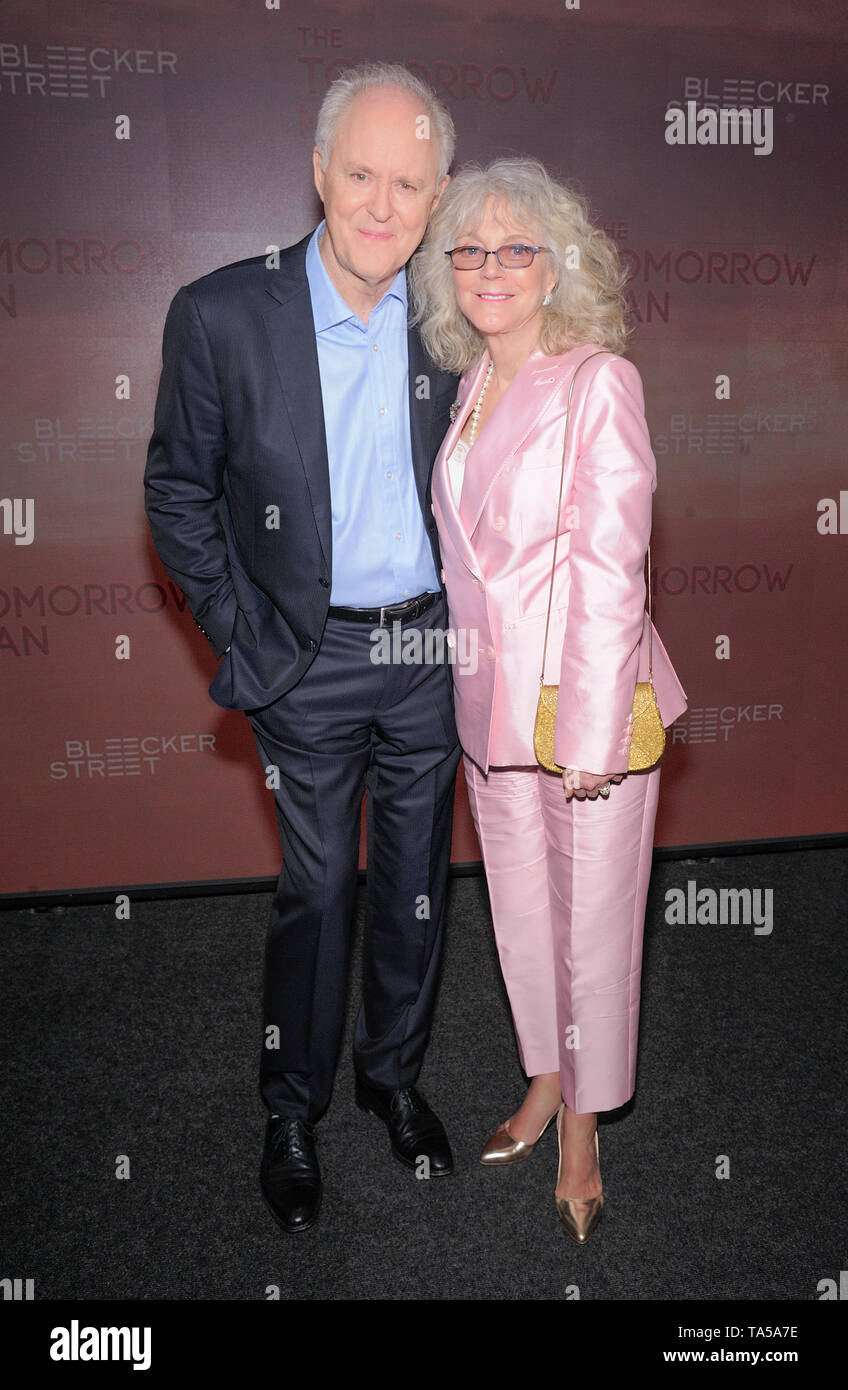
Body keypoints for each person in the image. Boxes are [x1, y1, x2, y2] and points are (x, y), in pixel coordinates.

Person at [144, 63, 462, 1235]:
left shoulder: (452, 319)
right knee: (319, 887)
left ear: (436, 198)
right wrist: (241, 630)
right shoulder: (224, 313)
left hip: (430, 651)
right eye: (362, 174)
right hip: (305, 658)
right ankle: (291, 1108)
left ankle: (391, 1076)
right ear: (319, 170)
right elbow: (176, 492)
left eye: (409, 184)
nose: (383, 205)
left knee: (417, 884)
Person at [409, 157, 688, 1243]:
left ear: (555, 263)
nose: (489, 268)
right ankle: (539, 1073)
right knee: (519, 920)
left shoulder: (593, 382)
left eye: (513, 247)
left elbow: (613, 567)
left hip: (582, 717)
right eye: (468, 250)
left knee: (592, 932)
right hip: (488, 714)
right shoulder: (474, 382)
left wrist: (584, 733)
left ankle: (582, 1123)